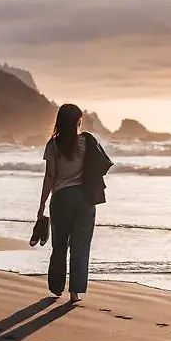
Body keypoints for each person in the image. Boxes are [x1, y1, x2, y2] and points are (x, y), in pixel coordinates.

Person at [37, 103, 112, 303]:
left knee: (59, 245)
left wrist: (42, 204)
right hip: (86, 199)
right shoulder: (87, 141)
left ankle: (56, 287)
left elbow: (50, 176)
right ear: (78, 121)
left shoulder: (53, 144)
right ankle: (75, 293)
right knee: (80, 246)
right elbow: (103, 165)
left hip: (61, 198)